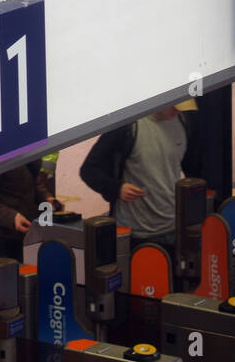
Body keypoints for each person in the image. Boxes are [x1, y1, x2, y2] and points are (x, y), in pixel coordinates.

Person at [79, 100, 202, 255]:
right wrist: (116, 188)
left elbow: (193, 170)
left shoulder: (183, 123)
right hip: (134, 234)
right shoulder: (128, 126)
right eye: (175, 107)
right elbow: (88, 170)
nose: (178, 111)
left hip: (172, 229)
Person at [0, 158, 57, 261]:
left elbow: (33, 181)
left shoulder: (29, 148)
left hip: (22, 237)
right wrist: (12, 217)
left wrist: (46, 198)